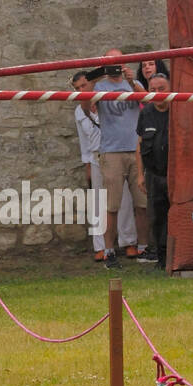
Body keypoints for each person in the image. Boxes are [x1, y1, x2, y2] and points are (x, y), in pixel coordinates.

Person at [89, 49, 150, 268]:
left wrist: (133, 81)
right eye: (111, 62)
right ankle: (109, 252)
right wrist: (95, 77)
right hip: (111, 151)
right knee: (111, 206)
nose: (116, 66)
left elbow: (147, 101)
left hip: (135, 150)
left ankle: (143, 247)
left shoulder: (132, 84)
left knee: (142, 203)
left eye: (119, 61)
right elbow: (87, 108)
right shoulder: (99, 86)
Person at [73, 70, 138, 261]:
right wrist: (87, 163)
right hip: (95, 157)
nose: (81, 90)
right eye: (77, 88)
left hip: (114, 153)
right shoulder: (80, 110)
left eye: (84, 85)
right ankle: (100, 246)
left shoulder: (108, 99)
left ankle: (128, 242)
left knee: (123, 199)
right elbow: (83, 139)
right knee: (98, 203)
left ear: (93, 83)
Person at [136, 74, 171, 268]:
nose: (157, 93)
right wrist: (140, 175)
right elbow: (140, 145)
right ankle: (161, 257)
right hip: (153, 175)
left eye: (162, 89)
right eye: (153, 89)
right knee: (156, 217)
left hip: (175, 175)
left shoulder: (179, 108)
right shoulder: (146, 112)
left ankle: (175, 255)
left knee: (175, 215)